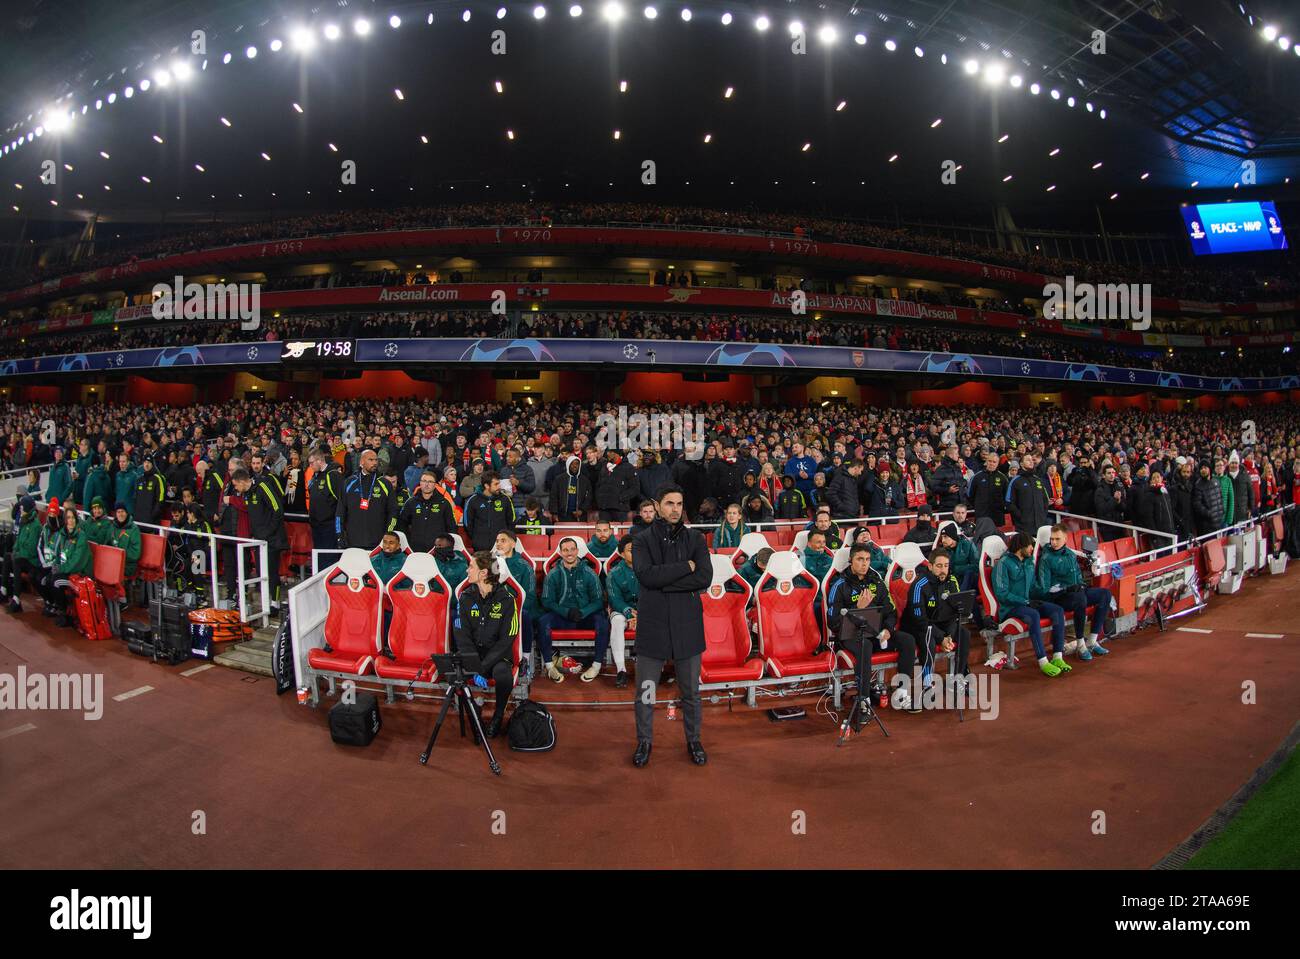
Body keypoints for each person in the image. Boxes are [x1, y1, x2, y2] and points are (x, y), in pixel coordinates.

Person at [631, 484, 711, 767]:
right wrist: (684, 568)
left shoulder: (696, 539)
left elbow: (704, 578)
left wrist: (663, 581)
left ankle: (693, 740)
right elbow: (646, 577)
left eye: (679, 503)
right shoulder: (641, 540)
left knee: (690, 692)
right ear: (658, 505)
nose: (675, 509)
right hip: (653, 627)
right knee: (647, 692)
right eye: (669, 503)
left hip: (687, 625)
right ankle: (645, 741)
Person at [827, 543, 922, 715]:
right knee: (866, 645)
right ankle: (864, 700)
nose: (864, 563)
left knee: (907, 640)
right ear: (851, 561)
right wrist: (857, 608)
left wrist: (887, 630)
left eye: (868, 559)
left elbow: (891, 612)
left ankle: (902, 693)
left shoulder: (877, 582)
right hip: (850, 637)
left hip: (877, 633)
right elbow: (832, 622)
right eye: (860, 559)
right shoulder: (839, 585)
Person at [454, 551, 519, 738]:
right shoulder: (465, 597)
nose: (467, 570)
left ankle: (498, 717)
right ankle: (474, 713)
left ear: (483, 573)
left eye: (471, 567)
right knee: (453, 673)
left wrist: (481, 668)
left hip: (498, 656)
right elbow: (461, 635)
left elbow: (507, 639)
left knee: (502, 674)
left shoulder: (507, 600)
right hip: (473, 654)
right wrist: (474, 665)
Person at [992, 532, 1071, 677]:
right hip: (1010, 608)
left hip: (1027, 603)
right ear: (1021, 545)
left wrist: (1055, 591)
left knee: (1057, 610)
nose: (1032, 549)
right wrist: (1026, 602)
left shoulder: (1028, 563)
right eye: (1030, 546)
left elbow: (1034, 587)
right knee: (1033, 614)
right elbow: (1001, 594)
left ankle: (1058, 657)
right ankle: (1042, 661)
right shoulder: (1003, 564)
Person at [899, 549, 972, 702]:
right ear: (930, 566)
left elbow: (956, 613)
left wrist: (949, 636)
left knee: (964, 633)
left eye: (946, 565)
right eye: (939, 566)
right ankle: (927, 683)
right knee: (929, 640)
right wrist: (941, 638)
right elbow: (920, 620)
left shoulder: (952, 581)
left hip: (943, 624)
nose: (943, 569)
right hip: (917, 626)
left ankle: (957, 678)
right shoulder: (919, 585)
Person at [537, 536, 609, 683]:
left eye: (572, 549)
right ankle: (550, 666)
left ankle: (596, 665)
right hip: (562, 617)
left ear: (577, 551)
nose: (569, 553)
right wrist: (565, 612)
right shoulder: (553, 574)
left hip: (585, 616)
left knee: (603, 623)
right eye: (565, 550)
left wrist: (583, 612)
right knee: (543, 621)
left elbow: (599, 600)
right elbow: (546, 601)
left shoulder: (589, 573)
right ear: (561, 553)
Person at [1037, 524, 1112, 659]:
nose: (1053, 542)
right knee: (1080, 599)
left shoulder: (1071, 555)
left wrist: (1081, 585)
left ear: (1065, 539)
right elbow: (1045, 588)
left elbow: (1078, 577)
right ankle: (1080, 644)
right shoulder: (1045, 558)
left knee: (1105, 594)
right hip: (1058, 597)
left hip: (1076, 593)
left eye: (1057, 539)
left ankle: (1092, 641)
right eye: (1052, 539)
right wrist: (1066, 588)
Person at [230, 467, 288, 615]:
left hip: (272, 538)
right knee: (262, 572)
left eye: (236, 485)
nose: (236, 489)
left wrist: (268, 532)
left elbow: (277, 509)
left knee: (272, 571)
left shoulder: (262, 486)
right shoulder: (247, 495)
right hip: (259, 540)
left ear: (242, 481)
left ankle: (275, 603)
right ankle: (267, 602)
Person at [492, 529, 537, 673]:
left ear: (513, 544)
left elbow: (529, 597)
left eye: (503, 540)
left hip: (518, 607)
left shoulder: (524, 566)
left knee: (523, 615)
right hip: (495, 606)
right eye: (497, 541)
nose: (498, 544)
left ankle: (524, 658)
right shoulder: (492, 565)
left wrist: (511, 607)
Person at [337, 449, 398, 551]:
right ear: (362, 462)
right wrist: (339, 534)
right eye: (371, 460)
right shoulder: (349, 482)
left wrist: (388, 533)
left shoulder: (385, 484)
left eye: (376, 460)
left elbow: (393, 511)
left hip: (378, 542)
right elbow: (340, 511)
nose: (374, 463)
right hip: (353, 541)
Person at [46, 506, 92, 628]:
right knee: (48, 579)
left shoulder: (81, 536)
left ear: (76, 520)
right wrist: (55, 566)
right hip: (67, 571)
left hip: (79, 574)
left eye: (72, 518)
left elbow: (77, 561)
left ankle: (64, 613)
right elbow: (58, 554)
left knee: (56, 582)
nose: (70, 521)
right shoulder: (63, 535)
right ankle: (61, 608)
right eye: (68, 518)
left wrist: (60, 569)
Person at [605, 534, 640, 688]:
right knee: (618, 621)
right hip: (621, 610)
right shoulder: (614, 573)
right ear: (621, 553)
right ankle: (621, 670)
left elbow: (654, 594)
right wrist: (628, 614)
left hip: (645, 610)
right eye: (631, 550)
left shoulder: (649, 569)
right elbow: (614, 599)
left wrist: (641, 616)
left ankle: (652, 668)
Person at [397, 469, 457, 552]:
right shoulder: (411, 502)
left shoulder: (444, 503)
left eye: (430, 482)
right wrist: (407, 542)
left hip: (438, 551)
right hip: (414, 550)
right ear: (420, 483)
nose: (427, 484)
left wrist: (447, 547)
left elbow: (451, 526)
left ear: (435, 484)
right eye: (424, 481)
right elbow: (401, 524)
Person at [1, 496, 42, 613]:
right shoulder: (25, 521)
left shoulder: (35, 526)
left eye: (22, 508)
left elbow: (31, 549)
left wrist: (18, 554)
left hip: (32, 561)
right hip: (22, 556)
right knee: (9, 556)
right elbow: (18, 541)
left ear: (28, 509)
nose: (21, 510)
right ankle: (3, 590)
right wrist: (15, 551)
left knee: (17, 561)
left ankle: (16, 599)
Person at [464, 470, 516, 552]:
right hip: (480, 547)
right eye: (496, 484)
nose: (499, 487)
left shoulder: (505, 499)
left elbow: (512, 521)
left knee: (498, 565)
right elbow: (467, 523)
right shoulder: (473, 500)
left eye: (499, 483)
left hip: (501, 548)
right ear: (486, 486)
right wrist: (477, 538)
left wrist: (505, 539)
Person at [306, 447, 343, 555]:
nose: (310, 466)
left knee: (329, 558)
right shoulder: (315, 476)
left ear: (319, 460)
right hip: (316, 525)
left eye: (311, 463)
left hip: (329, 526)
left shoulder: (332, 475)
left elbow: (342, 500)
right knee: (318, 557)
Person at [1006, 453, 1050, 537]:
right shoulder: (1015, 481)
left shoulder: (1038, 480)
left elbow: (1045, 500)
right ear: (1021, 464)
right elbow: (1009, 502)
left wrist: (1042, 516)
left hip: (1040, 525)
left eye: (1032, 460)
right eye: (1028, 460)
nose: (1031, 461)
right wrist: (1021, 516)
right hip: (1023, 527)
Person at [548, 455, 592, 522]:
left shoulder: (585, 480)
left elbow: (589, 497)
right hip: (562, 515)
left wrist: (582, 510)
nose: (575, 466)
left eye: (577, 464)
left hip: (579, 516)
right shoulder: (559, 479)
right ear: (568, 465)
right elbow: (553, 496)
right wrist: (554, 513)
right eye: (572, 464)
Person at [1093, 464, 1127, 542]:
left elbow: (1124, 508)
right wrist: (1114, 500)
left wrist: (1119, 502)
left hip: (1119, 525)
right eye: (1109, 473)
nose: (1112, 475)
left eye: (1113, 472)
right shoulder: (1099, 490)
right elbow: (1101, 510)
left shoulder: (1118, 487)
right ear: (1103, 475)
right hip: (1107, 527)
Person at [133, 454, 167, 527]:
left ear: (152, 464)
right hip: (139, 519)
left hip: (152, 520)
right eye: (145, 462)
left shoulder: (158, 478)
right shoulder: (139, 479)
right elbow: (136, 498)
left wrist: (153, 514)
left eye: (149, 462)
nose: (146, 464)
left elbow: (161, 499)